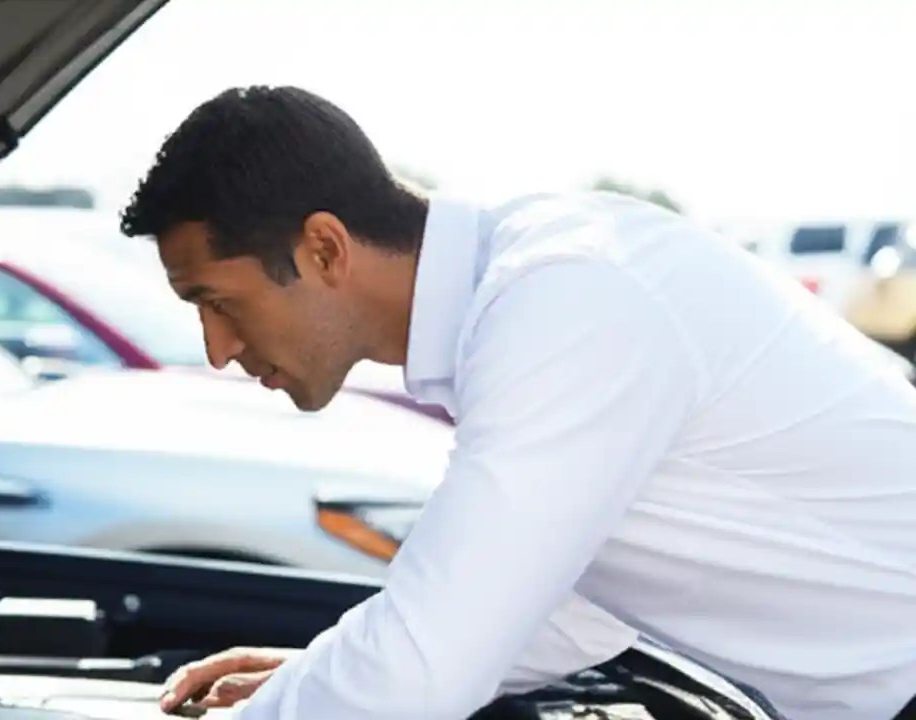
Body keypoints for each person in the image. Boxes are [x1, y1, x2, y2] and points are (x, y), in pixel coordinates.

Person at [118, 86, 916, 720]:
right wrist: (332, 672)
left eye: (217, 301)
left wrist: (365, 680)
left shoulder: (567, 294)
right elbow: (572, 598)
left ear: (324, 248)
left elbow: (422, 676)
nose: (216, 349)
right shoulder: (536, 289)